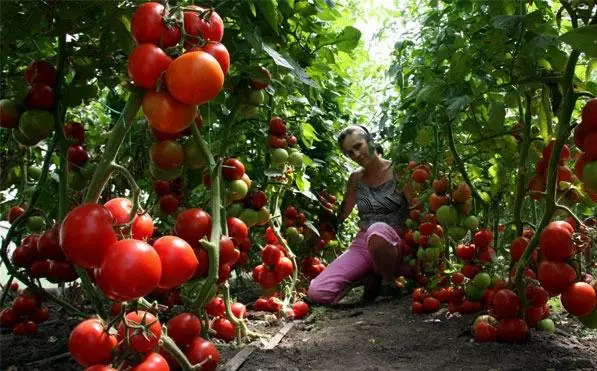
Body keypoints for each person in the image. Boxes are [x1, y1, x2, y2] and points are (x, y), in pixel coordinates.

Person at [307, 125, 412, 305]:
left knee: (377, 231)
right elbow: (342, 214)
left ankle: (388, 282)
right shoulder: (356, 179)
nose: (356, 155)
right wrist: (318, 205)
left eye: (358, 146)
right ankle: (367, 276)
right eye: (349, 153)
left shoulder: (398, 171)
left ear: (370, 141)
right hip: (363, 245)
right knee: (318, 292)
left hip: (398, 243)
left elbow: (417, 209)